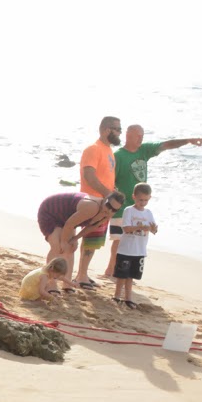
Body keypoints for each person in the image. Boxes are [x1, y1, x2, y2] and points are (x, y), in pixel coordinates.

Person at [103, 125, 202, 277]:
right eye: (137, 136)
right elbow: (110, 182)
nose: (140, 139)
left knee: (134, 238)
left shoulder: (144, 150)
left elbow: (166, 145)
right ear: (128, 136)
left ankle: (124, 271)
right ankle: (110, 270)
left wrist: (187, 141)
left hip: (139, 205)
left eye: (142, 136)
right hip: (122, 206)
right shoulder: (118, 156)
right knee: (118, 238)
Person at [36, 190, 124, 285]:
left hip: (67, 218)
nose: (110, 210)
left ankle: (67, 283)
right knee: (58, 247)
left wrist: (75, 238)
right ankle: (50, 284)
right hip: (51, 211)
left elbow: (91, 227)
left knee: (70, 248)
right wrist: (63, 241)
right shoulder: (92, 207)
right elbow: (69, 224)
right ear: (104, 199)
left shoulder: (107, 214)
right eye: (109, 206)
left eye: (114, 210)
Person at [75, 116, 122, 288]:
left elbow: (105, 176)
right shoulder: (93, 149)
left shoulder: (108, 150)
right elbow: (89, 176)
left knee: (94, 240)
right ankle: (80, 275)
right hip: (92, 200)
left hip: (103, 201)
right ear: (106, 130)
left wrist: (112, 192)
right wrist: (108, 195)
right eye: (117, 129)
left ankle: (83, 274)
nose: (120, 133)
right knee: (89, 237)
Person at [113, 183, 156, 309]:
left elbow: (153, 230)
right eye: (140, 200)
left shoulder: (148, 213)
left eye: (145, 200)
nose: (143, 203)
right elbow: (126, 229)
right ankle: (116, 296)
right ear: (134, 197)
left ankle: (128, 298)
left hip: (139, 250)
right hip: (126, 249)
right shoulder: (129, 210)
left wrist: (153, 229)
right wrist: (140, 227)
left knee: (131, 276)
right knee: (121, 275)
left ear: (149, 198)